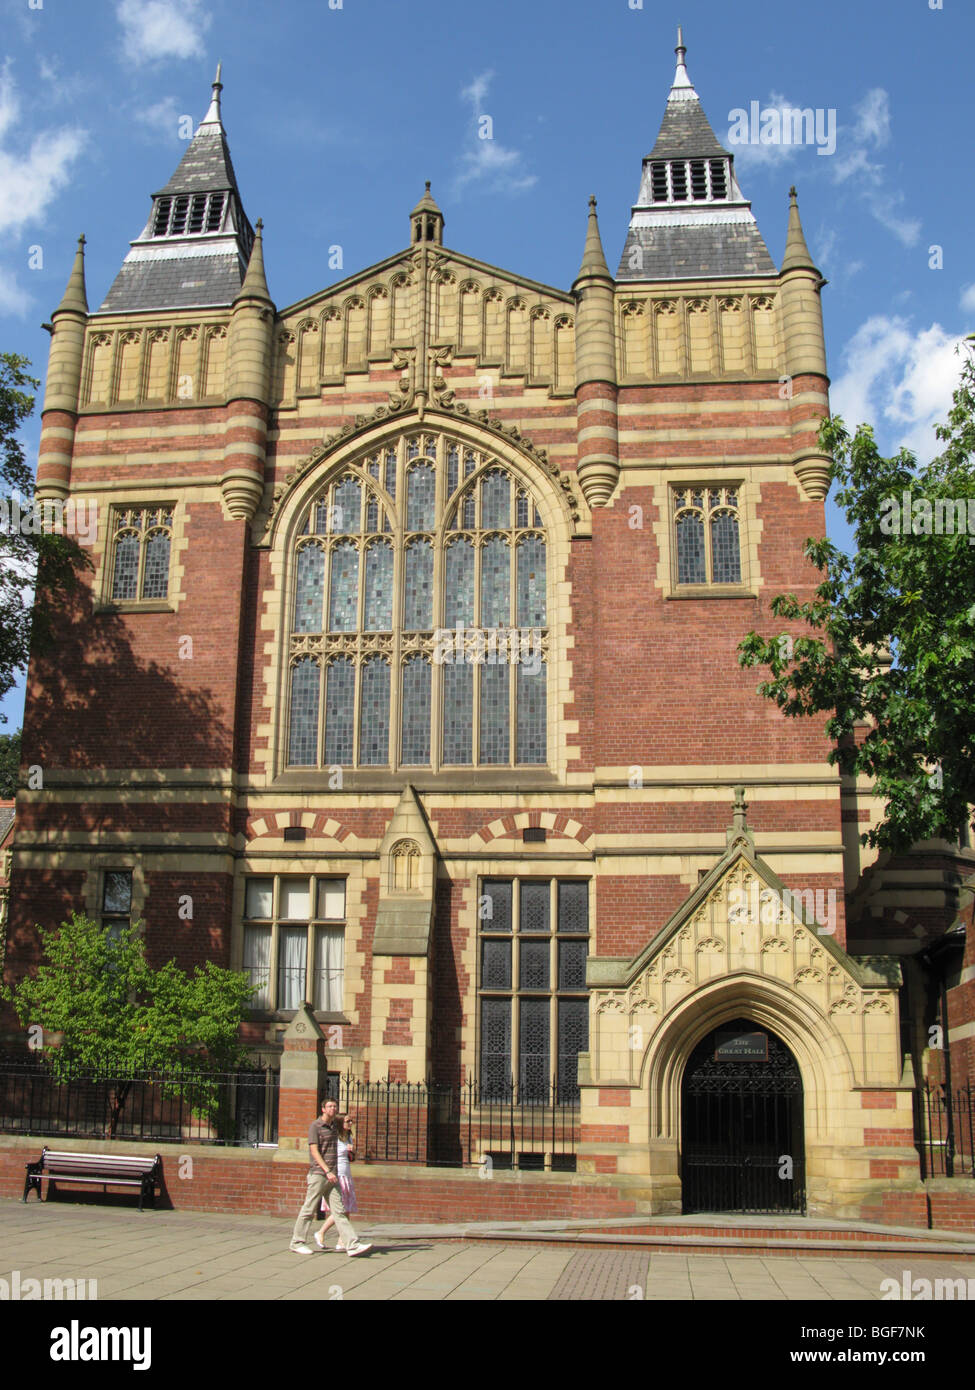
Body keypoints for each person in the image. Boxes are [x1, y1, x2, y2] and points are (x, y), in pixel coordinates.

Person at [289, 1097, 372, 1257]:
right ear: (323, 1109)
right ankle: (297, 1242)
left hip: (333, 1175)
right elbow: (314, 1151)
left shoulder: (335, 1126)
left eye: (335, 1106)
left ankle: (352, 1245)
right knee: (309, 1209)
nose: (333, 1109)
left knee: (339, 1211)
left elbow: (344, 1136)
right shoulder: (315, 1126)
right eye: (330, 1106)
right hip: (319, 1174)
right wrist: (327, 1170)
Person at [315, 1111, 357, 1250]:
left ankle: (341, 1241)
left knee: (347, 1210)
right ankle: (321, 1232)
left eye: (351, 1121)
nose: (350, 1123)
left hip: (347, 1174)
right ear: (340, 1123)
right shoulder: (335, 1138)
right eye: (348, 1121)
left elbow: (350, 1158)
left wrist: (351, 1152)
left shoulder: (348, 1137)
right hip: (337, 1175)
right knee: (341, 1209)